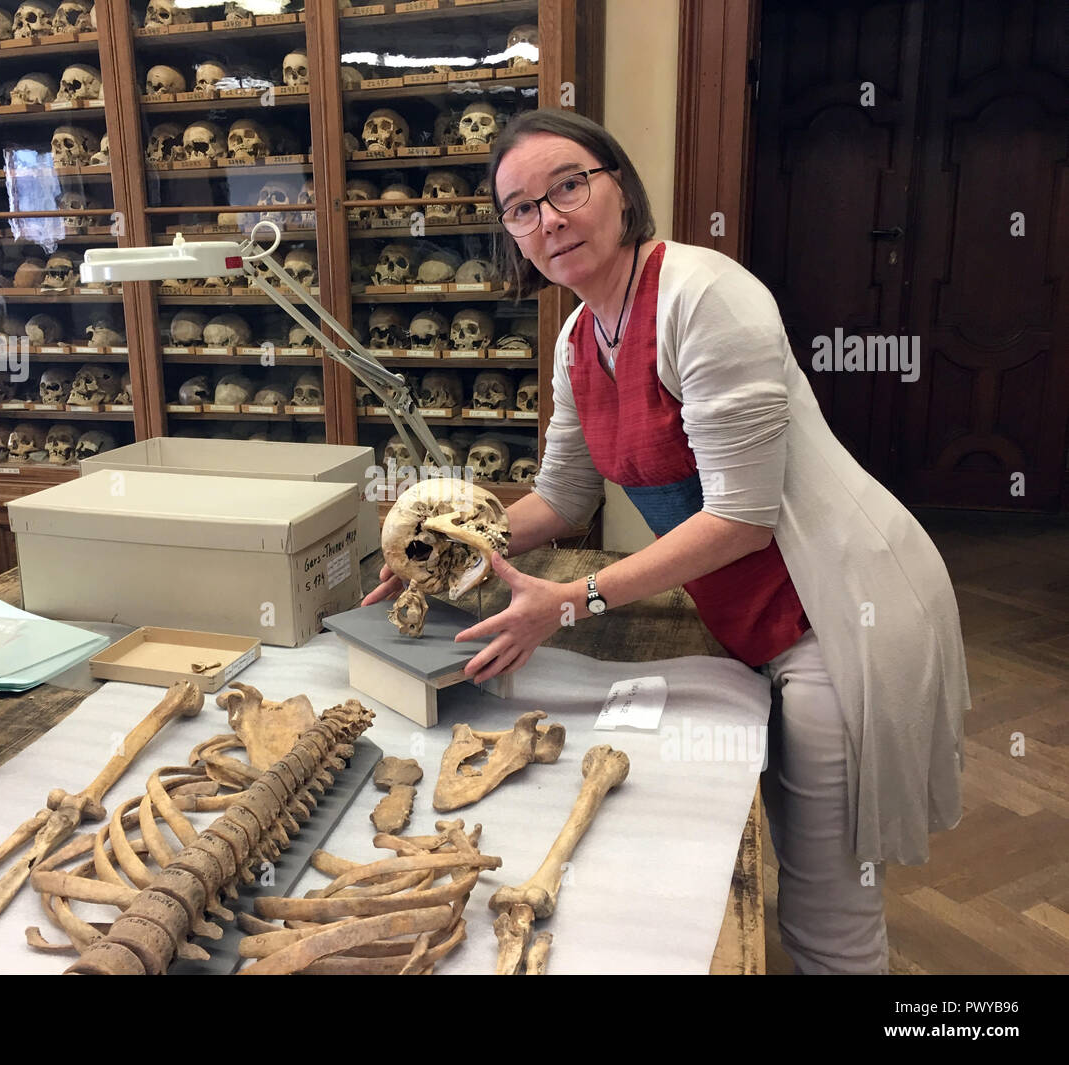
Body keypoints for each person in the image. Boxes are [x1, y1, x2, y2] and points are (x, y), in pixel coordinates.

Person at [361, 108, 971, 974]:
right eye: (521, 207)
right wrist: (442, 547)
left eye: (568, 185)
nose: (550, 219)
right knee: (776, 854)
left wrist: (572, 601)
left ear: (620, 189)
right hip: (747, 618)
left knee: (829, 914)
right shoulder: (580, 336)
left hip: (838, 611)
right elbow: (562, 497)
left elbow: (743, 515)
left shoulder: (703, 296)